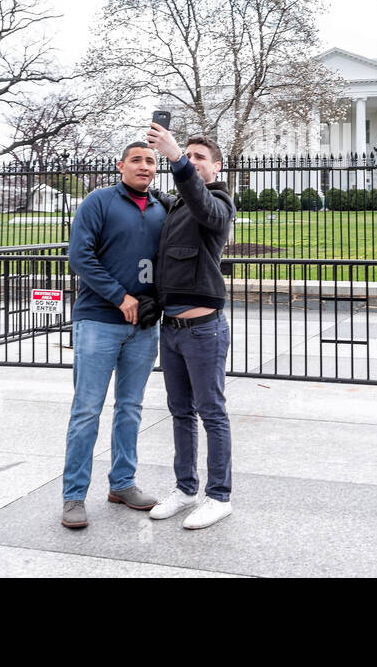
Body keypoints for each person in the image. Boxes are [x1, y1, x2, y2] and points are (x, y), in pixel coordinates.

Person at [61, 142, 167, 530]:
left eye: (151, 161)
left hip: (143, 327)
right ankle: (73, 496)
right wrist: (119, 296)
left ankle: (122, 484)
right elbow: (79, 256)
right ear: (121, 165)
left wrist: (156, 301)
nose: (144, 166)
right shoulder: (99, 202)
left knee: (131, 407)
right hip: (98, 322)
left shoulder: (162, 207)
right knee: (87, 410)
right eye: (136, 160)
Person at [143, 124, 236, 530]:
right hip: (171, 329)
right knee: (180, 411)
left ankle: (219, 496)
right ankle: (185, 489)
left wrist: (178, 158)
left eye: (201, 158)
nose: (194, 161)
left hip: (204, 330)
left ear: (216, 167)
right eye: (190, 156)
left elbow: (201, 203)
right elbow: (165, 197)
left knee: (211, 412)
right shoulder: (178, 205)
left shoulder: (218, 202)